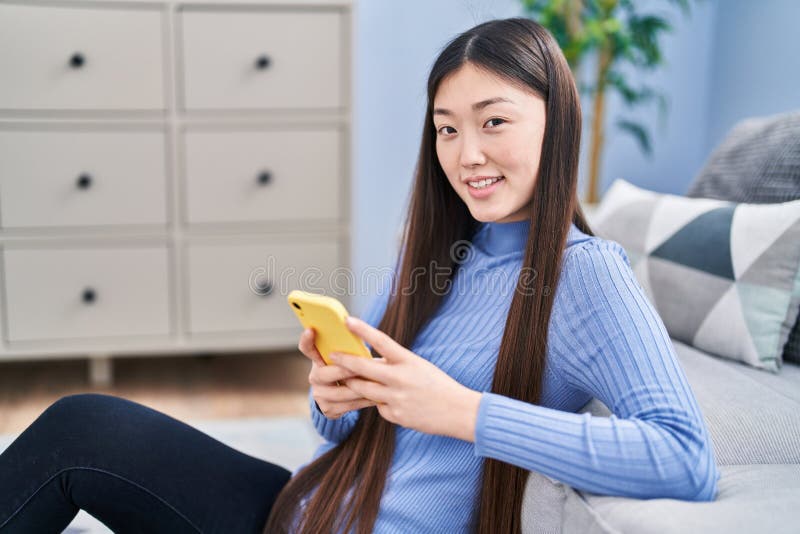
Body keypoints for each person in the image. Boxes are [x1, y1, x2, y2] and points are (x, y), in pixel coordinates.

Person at [0, 17, 718, 534]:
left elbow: (685, 457)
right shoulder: (436, 253)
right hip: (300, 509)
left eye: (493, 122)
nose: (467, 153)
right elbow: (337, 433)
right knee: (81, 425)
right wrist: (333, 397)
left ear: (557, 121)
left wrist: (462, 411)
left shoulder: (585, 275)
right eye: (446, 127)